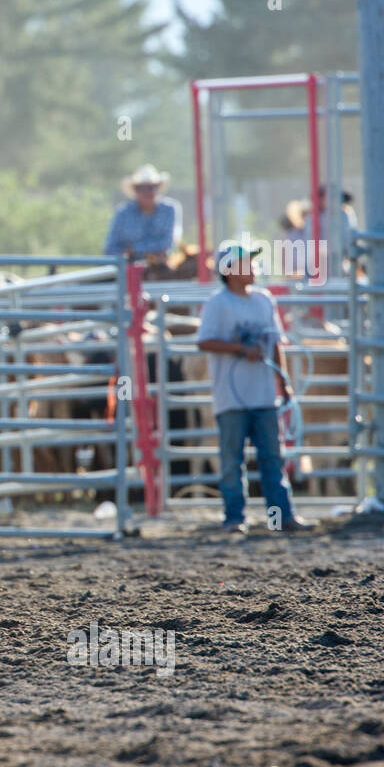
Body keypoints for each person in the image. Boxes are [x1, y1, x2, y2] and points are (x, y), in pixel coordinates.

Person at [198, 240, 312, 534]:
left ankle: (281, 517)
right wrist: (239, 349)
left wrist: (282, 381)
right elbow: (204, 341)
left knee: (272, 458)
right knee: (233, 460)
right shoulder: (217, 303)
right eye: (246, 263)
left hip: (261, 393)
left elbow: (275, 343)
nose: (253, 268)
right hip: (232, 397)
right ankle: (235, 518)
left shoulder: (263, 300)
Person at [103, 164, 181, 261]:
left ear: (158, 188)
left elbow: (168, 242)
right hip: (128, 267)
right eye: (142, 188)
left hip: (161, 267)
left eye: (152, 187)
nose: (148, 192)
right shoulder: (123, 213)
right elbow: (110, 248)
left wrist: (134, 249)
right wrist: (127, 253)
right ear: (135, 190)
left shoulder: (169, 209)